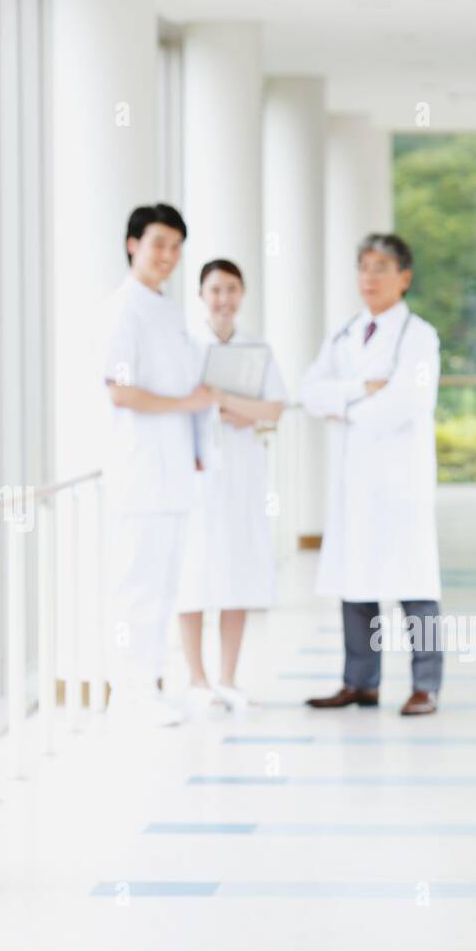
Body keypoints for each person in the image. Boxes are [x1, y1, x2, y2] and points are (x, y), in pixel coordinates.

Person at [300, 233, 443, 716]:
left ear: (404, 276)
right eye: (363, 267)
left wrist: (343, 405)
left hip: (400, 482)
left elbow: (408, 401)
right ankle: (359, 682)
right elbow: (309, 392)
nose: (369, 277)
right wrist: (359, 389)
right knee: (354, 578)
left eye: (380, 267)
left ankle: (426, 684)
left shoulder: (419, 336)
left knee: (414, 582)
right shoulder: (343, 334)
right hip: (352, 480)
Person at [102, 202, 215, 726]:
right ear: (133, 245)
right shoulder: (122, 309)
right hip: (140, 474)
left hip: (171, 476)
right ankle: (128, 694)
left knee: (165, 584)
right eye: (157, 244)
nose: (168, 256)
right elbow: (122, 393)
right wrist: (187, 405)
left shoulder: (168, 310)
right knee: (138, 587)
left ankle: (146, 684)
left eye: (175, 246)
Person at [176, 259, 286, 712]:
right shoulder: (185, 346)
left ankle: (228, 678)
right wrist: (242, 409)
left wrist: (224, 402)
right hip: (196, 475)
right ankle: (197, 680)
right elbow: (185, 407)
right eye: (215, 290)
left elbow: (275, 410)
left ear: (242, 296)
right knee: (193, 576)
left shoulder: (257, 348)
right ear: (202, 296)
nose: (224, 299)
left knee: (238, 575)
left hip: (242, 477)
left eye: (232, 290)